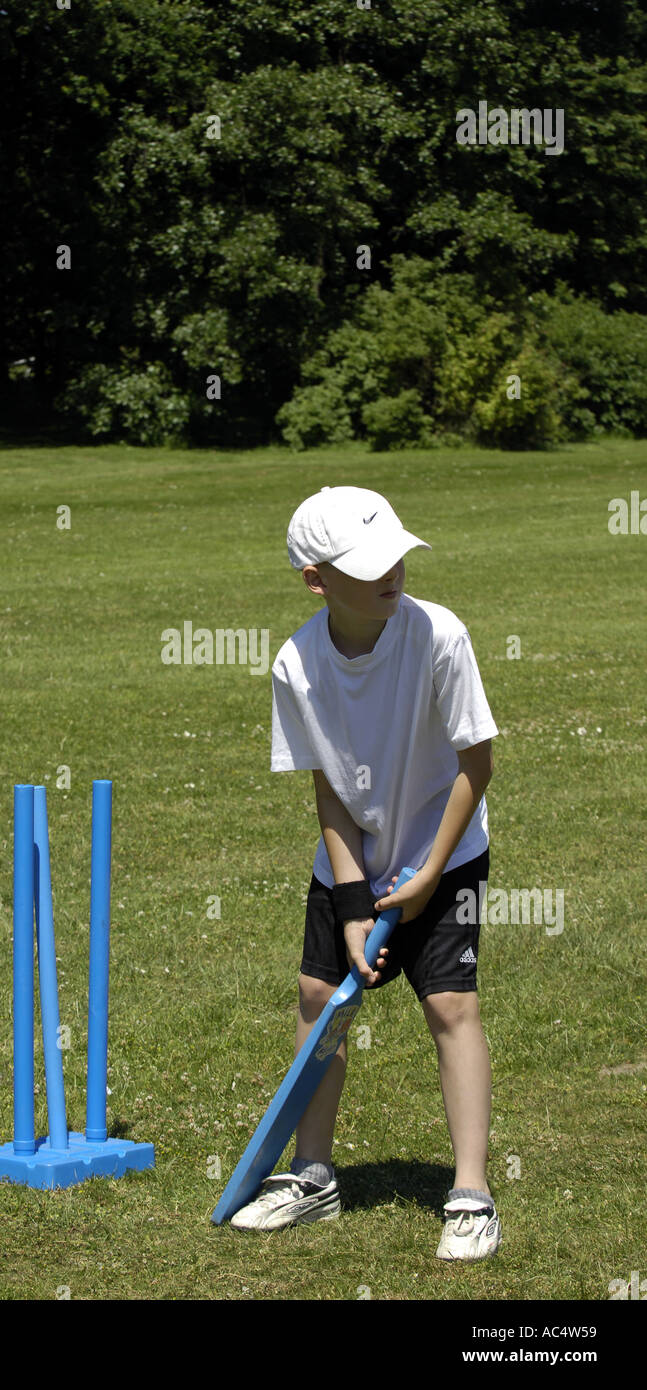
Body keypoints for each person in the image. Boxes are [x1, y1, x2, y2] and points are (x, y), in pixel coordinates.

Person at [230, 485, 501, 1261]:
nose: (392, 572)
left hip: (447, 849)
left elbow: (474, 764)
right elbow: (329, 789)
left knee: (450, 1004)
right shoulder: (296, 663)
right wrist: (353, 901)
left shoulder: (438, 635)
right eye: (368, 564)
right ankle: (312, 1177)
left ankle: (471, 1193)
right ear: (315, 579)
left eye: (396, 555)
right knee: (320, 1000)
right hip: (351, 858)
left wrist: (427, 873)